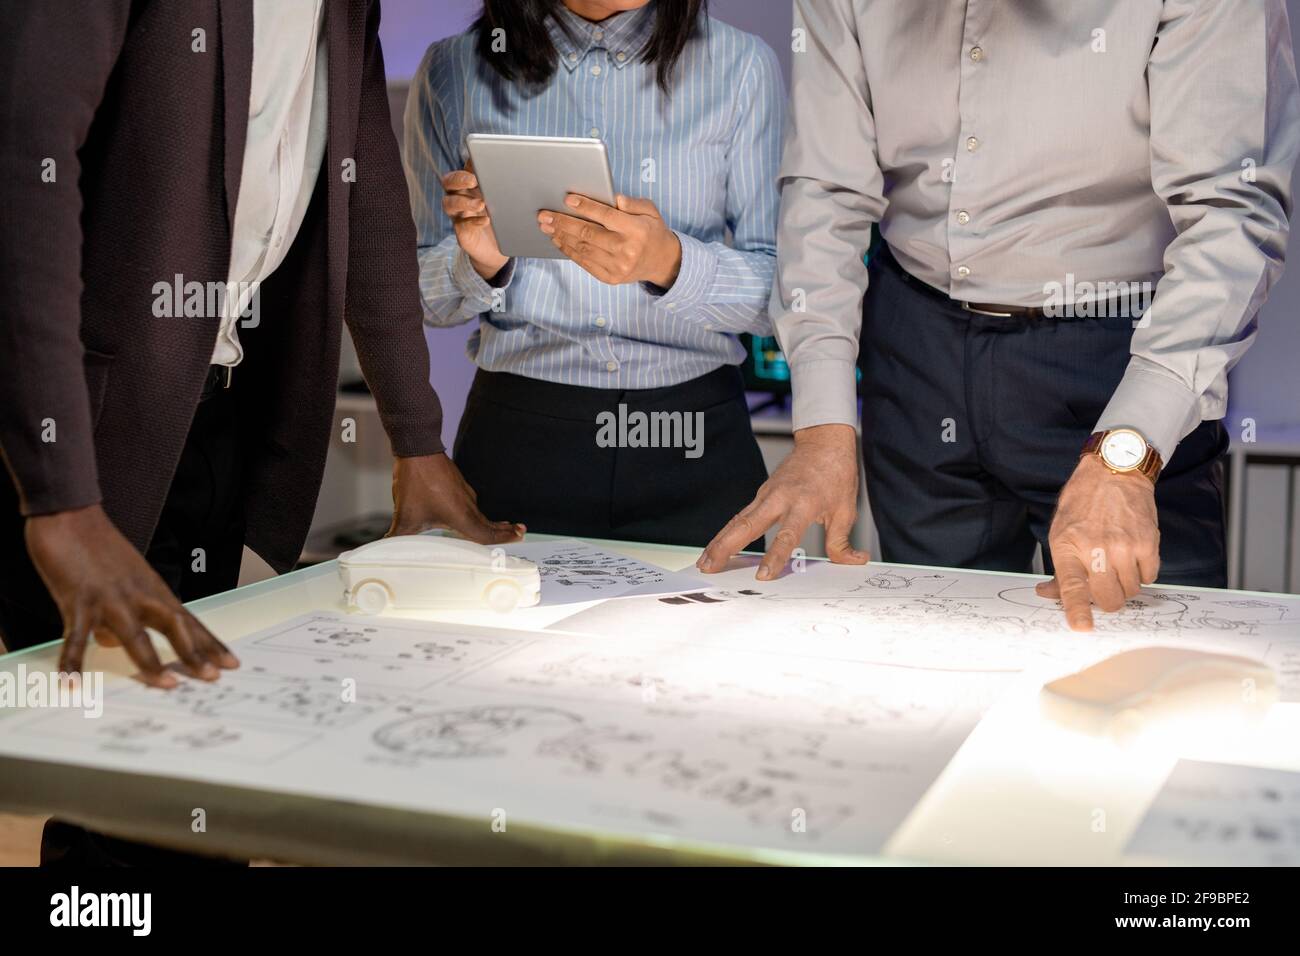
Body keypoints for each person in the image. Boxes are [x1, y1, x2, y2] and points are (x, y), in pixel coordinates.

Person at [0, 0, 519, 864]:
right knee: (121, 800)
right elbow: (22, 171)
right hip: (93, 435)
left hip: (232, 426)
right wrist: (61, 498)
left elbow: (372, 197)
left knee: (212, 784)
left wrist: (417, 440)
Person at [700, 0, 1300, 630]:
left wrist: (1129, 452)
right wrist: (823, 425)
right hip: (915, 344)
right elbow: (825, 191)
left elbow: (1231, 219)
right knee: (933, 652)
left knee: (1140, 661)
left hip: (1122, 353)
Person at [404, 0, 783, 547]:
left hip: (696, 442)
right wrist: (482, 263)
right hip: (518, 441)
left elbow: (785, 299)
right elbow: (416, 297)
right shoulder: (455, 69)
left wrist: (670, 264)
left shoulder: (743, 66)